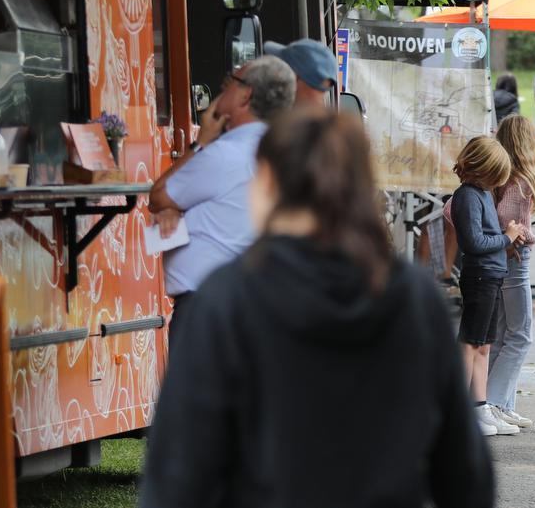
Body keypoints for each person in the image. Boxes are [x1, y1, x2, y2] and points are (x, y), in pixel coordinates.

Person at [140, 111, 495, 508]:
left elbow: (179, 472)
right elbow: (465, 474)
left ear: (268, 182)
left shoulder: (225, 299)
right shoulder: (413, 299)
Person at [148, 56, 296, 342]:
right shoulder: (283, 154)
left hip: (209, 311)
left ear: (245, 95)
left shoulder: (225, 154)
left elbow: (158, 196)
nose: (222, 87)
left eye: (231, 82)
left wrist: (200, 142)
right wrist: (178, 209)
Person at [450, 136, 526, 437]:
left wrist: (505, 242)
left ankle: (479, 407)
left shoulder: (479, 193)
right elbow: (474, 242)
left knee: (482, 345)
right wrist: (506, 237)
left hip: (491, 274)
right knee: (471, 343)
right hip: (480, 276)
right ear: (481, 169)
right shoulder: (467, 196)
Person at [486, 115, 535, 430]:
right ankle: (493, 403)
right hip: (515, 257)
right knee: (520, 335)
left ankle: (499, 404)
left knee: (501, 334)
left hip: (501, 257)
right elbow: (508, 216)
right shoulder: (521, 181)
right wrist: (512, 234)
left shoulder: (499, 176)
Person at [264, 38, 338, 107]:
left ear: (294, 76)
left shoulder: (278, 118)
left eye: (281, 69)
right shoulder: (323, 119)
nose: (277, 74)